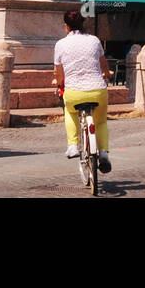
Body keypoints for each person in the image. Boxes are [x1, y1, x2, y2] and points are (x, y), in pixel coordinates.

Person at [53, 10, 114, 173]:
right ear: (82, 24)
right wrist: (107, 75)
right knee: (100, 121)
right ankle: (103, 153)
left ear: (66, 26)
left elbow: (59, 74)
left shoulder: (60, 44)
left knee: (70, 112)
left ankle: (72, 146)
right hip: (97, 90)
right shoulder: (94, 40)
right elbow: (104, 65)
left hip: (74, 92)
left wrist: (59, 84)